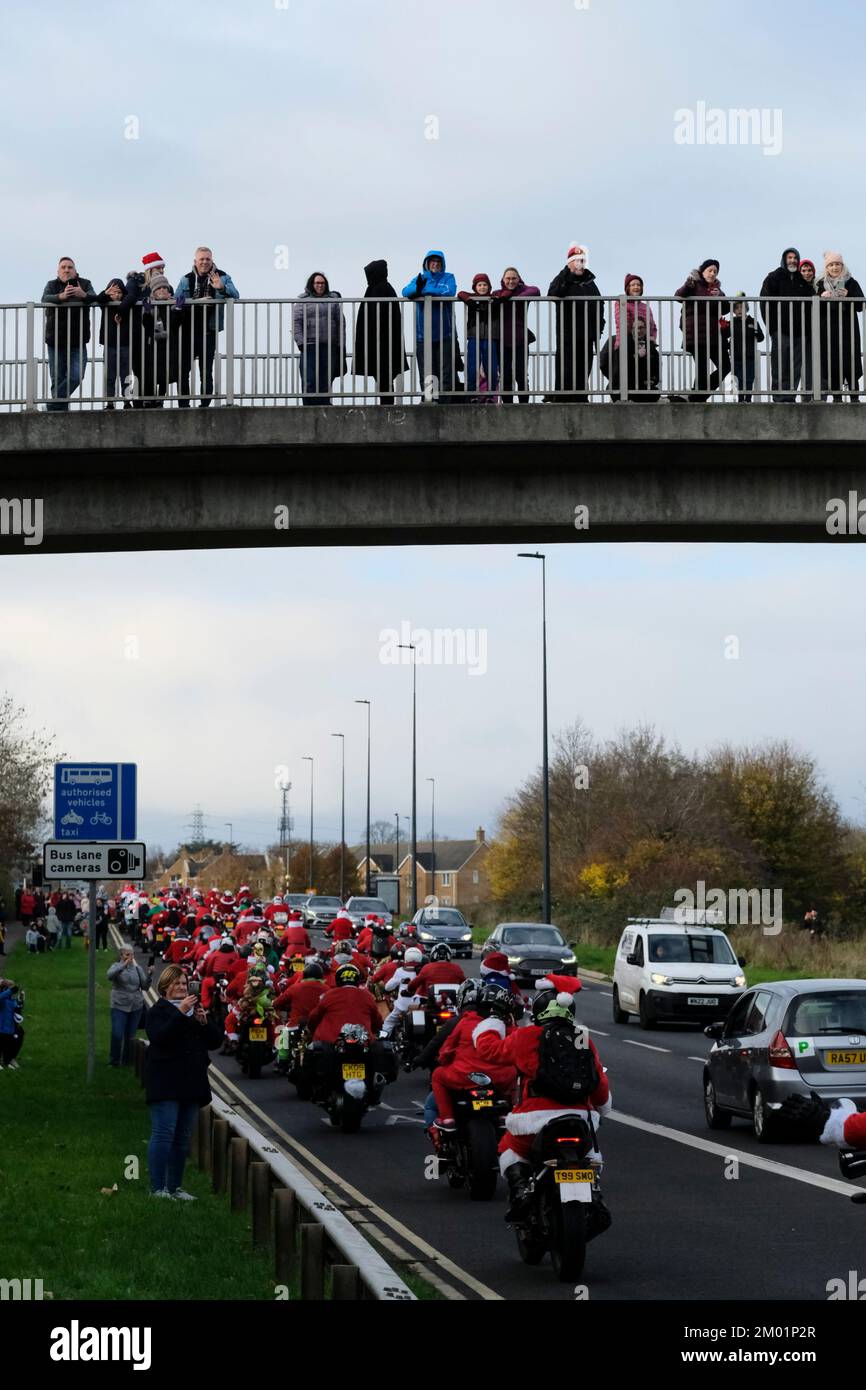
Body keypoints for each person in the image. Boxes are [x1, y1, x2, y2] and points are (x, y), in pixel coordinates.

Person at [474, 982, 611, 1222]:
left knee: (510, 1149)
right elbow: (598, 1082)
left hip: (533, 1120)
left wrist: (494, 1020)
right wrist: (602, 1108)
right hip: (579, 1118)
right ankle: (595, 1197)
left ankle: (519, 1193)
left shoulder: (525, 1036)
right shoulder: (582, 1037)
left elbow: (489, 1050)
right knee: (590, 1156)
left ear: (537, 1013)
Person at [144, 964, 223, 1198]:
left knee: (182, 1138)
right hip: (165, 1082)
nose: (181, 987)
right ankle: (157, 1188)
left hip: (191, 1083)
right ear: (166, 987)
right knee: (164, 1133)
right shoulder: (158, 1011)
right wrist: (180, 1014)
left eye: (184, 983)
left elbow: (215, 1042)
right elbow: (161, 1037)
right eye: (177, 983)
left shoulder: (194, 1010)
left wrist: (204, 1023)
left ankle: (174, 1187)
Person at [430, 983, 518, 1133]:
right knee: (515, 1075)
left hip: (464, 1076)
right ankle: (508, 1113)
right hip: (499, 1078)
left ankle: (447, 1118)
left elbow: (446, 1049)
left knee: (437, 1075)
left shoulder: (466, 1021)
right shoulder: (508, 1026)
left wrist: (443, 1060)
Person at [174, 247, 240, 407]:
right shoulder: (186, 279)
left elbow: (236, 295)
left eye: (207, 259)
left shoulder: (222, 276)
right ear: (195, 261)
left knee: (206, 371)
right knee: (183, 371)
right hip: (188, 330)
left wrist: (221, 288)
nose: (205, 262)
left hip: (208, 330)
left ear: (212, 260)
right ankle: (183, 405)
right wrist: (190, 303)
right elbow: (177, 302)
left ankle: (205, 405)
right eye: (201, 259)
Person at [547, 243, 604, 403]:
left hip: (587, 334)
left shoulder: (590, 283)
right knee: (566, 367)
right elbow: (553, 292)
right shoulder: (562, 278)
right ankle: (562, 398)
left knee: (584, 367)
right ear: (570, 262)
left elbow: (599, 304)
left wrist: (599, 327)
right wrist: (567, 274)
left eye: (582, 260)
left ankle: (581, 397)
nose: (579, 263)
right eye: (576, 260)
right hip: (568, 333)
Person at [402, 250, 460, 403]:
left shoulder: (448, 277)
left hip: (444, 334)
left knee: (445, 371)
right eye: (432, 261)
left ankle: (444, 402)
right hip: (423, 336)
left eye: (438, 262)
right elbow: (406, 291)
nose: (435, 264)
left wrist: (423, 291)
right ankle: (428, 399)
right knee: (427, 372)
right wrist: (418, 290)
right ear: (427, 263)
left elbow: (449, 291)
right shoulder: (420, 278)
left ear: (442, 264)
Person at [759, 248, 815, 403]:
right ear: (784, 259)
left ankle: (789, 396)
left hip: (801, 332)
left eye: (795, 258)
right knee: (779, 365)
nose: (793, 261)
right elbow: (764, 303)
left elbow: (812, 303)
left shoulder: (802, 281)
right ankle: (778, 397)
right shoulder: (774, 278)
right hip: (781, 331)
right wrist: (772, 328)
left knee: (796, 367)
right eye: (790, 258)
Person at [41, 257, 97, 410]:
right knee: (58, 379)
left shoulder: (85, 283)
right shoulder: (52, 285)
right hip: (55, 341)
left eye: (70, 267)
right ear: (58, 271)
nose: (67, 270)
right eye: (63, 267)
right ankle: (59, 413)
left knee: (76, 376)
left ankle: (51, 406)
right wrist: (61, 297)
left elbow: (95, 298)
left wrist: (83, 294)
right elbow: (44, 299)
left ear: (75, 270)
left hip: (77, 340)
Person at [352, 259, 408, 405]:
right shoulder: (382, 288)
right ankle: (386, 403)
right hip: (382, 343)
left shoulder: (380, 289)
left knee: (384, 376)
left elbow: (379, 319)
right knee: (384, 377)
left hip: (382, 344)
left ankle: (387, 405)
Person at [674, 259, 730, 402]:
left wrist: (721, 296)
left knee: (725, 366)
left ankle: (696, 396)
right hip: (696, 335)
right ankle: (697, 397)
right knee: (702, 370)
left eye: (715, 271)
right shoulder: (694, 283)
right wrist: (689, 284)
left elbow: (725, 309)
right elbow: (678, 296)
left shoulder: (717, 288)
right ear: (702, 271)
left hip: (713, 336)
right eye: (710, 270)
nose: (712, 273)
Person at [601, 274, 660, 403]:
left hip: (644, 342)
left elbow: (652, 326)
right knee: (627, 370)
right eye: (633, 285)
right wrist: (633, 343)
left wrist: (651, 339)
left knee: (650, 362)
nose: (636, 287)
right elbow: (623, 324)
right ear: (627, 288)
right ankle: (620, 392)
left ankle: (647, 388)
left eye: (638, 285)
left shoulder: (645, 307)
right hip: (626, 342)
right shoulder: (622, 303)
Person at [816, 252, 864, 403]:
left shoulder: (851, 282)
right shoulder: (820, 284)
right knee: (833, 363)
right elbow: (815, 308)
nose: (834, 267)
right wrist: (821, 298)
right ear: (827, 267)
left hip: (848, 330)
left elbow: (860, 305)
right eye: (831, 265)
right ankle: (837, 398)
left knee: (851, 363)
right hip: (829, 331)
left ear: (842, 266)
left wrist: (849, 295)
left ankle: (854, 398)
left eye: (837, 264)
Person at [293, 272, 347, 405]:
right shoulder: (303, 301)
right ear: (312, 284)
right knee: (309, 379)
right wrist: (300, 342)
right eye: (317, 283)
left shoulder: (333, 301)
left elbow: (341, 323)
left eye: (322, 283)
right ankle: (309, 409)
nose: (320, 285)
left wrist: (340, 344)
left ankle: (324, 407)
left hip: (330, 346)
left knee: (326, 380)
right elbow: (296, 323)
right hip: (309, 345)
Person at [492, 268, 540, 404]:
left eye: (514, 278)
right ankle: (507, 405)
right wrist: (504, 296)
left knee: (521, 374)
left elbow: (535, 290)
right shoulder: (497, 293)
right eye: (508, 278)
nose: (511, 281)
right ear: (503, 280)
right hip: (502, 341)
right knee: (506, 375)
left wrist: (513, 298)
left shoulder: (524, 292)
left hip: (520, 340)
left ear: (519, 280)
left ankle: (523, 405)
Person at [138, 275, 187, 407]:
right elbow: (146, 324)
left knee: (166, 371)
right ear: (153, 291)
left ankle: (160, 398)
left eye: (165, 287)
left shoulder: (172, 304)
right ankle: (148, 399)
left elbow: (175, 324)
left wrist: (177, 309)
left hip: (169, 344)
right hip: (152, 344)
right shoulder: (149, 303)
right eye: (159, 288)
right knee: (150, 371)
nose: (162, 290)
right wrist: (147, 312)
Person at [96, 277, 138, 406]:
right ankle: (109, 402)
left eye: (119, 292)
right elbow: (99, 299)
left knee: (126, 375)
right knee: (109, 376)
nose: (116, 294)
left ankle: (127, 401)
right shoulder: (105, 303)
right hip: (110, 345)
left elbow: (132, 296)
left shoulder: (126, 302)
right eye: (113, 292)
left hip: (125, 344)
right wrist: (106, 293)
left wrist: (120, 310)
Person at [458, 273, 500, 401]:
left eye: (485, 285)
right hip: (473, 337)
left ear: (489, 286)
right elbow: (460, 293)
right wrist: (470, 301)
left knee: (491, 368)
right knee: (472, 367)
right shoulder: (471, 298)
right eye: (479, 285)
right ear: (475, 287)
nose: (482, 287)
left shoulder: (493, 298)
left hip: (490, 337)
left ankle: (491, 395)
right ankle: (472, 395)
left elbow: (505, 295)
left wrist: (497, 300)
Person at [107, 945, 150, 1066]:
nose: (130, 958)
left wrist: (150, 975)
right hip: (119, 1005)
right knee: (117, 1033)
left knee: (130, 1036)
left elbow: (145, 987)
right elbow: (110, 976)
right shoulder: (116, 966)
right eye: (127, 955)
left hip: (136, 1005)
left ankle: (127, 1061)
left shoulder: (137, 969)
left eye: (132, 955)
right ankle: (114, 1060)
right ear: (121, 956)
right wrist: (123, 966)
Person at [721, 293, 764, 403]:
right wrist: (722, 327)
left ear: (747, 309)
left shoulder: (753, 322)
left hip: (749, 356)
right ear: (734, 311)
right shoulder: (731, 323)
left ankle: (748, 399)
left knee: (749, 379)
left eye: (742, 307)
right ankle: (740, 400)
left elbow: (761, 338)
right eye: (737, 308)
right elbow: (724, 336)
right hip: (736, 356)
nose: (740, 310)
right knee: (737, 379)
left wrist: (756, 331)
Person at [0, 979, 24, 1068]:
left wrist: (20, 1002)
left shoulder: (12, 1001)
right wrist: (12, 989)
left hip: (10, 1029)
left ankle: (9, 1060)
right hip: (1, 1029)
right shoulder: (2, 999)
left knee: (16, 1040)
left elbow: (17, 1011)